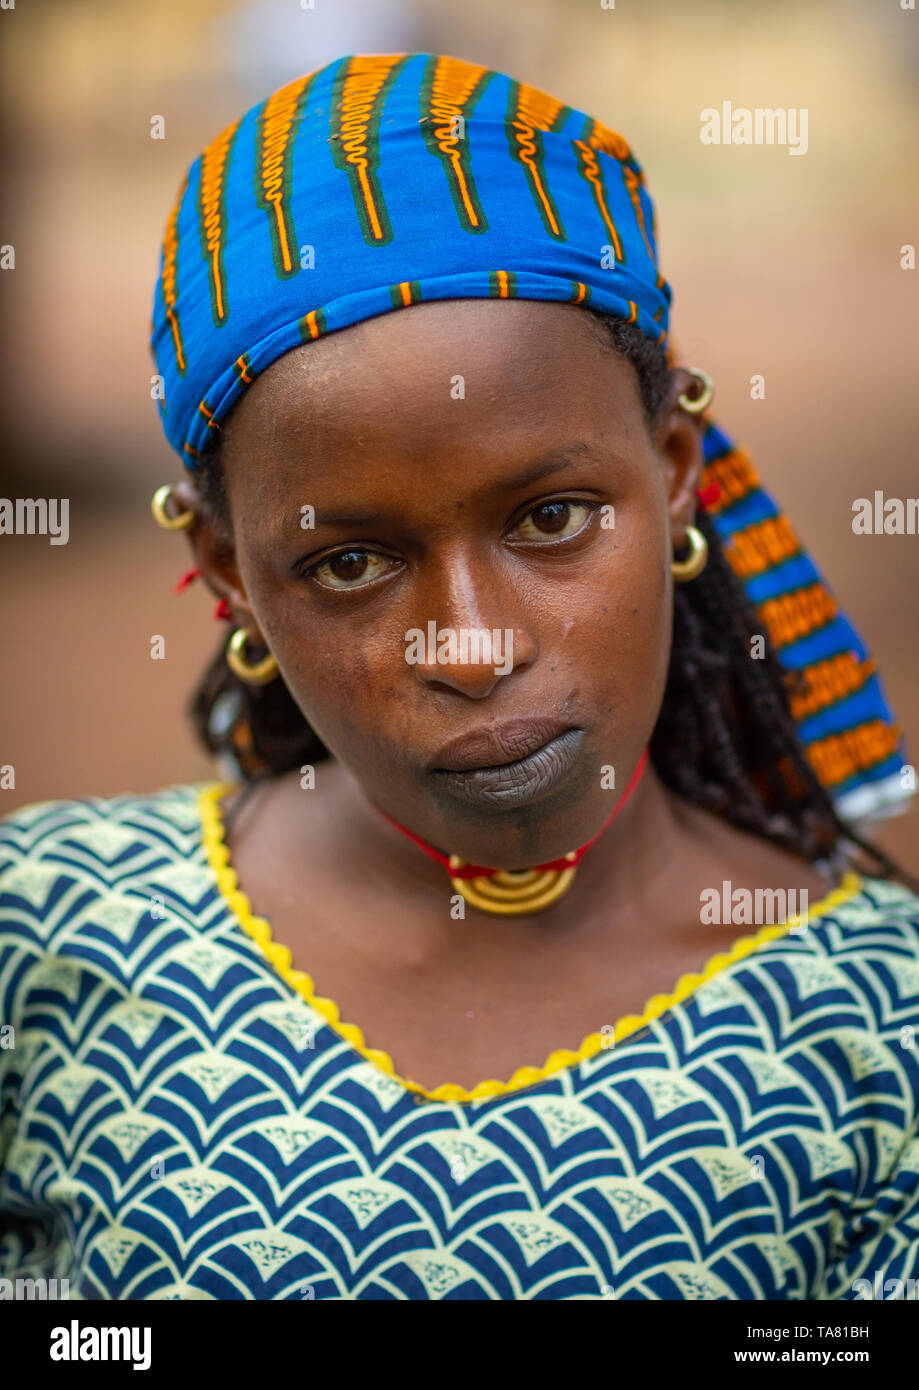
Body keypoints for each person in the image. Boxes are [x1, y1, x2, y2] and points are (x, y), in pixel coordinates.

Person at [1, 53, 918, 1302]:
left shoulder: (877, 1031)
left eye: (550, 519)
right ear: (228, 574)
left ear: (675, 472)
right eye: (349, 560)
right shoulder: (47, 929)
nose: (473, 646)